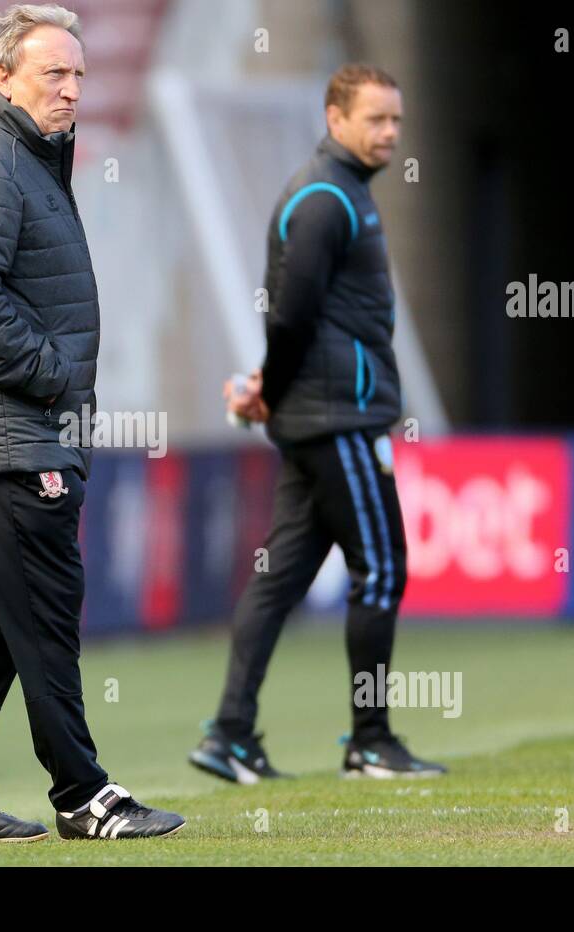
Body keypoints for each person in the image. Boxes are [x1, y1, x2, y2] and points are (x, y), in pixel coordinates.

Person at [0, 3, 185, 841]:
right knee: (47, 614)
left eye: (79, 75)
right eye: (53, 74)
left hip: (23, 427)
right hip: (11, 430)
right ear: (1, 75)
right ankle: (83, 795)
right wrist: (54, 379)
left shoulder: (26, 154)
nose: (73, 91)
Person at [189, 64, 447, 783]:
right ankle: (370, 742)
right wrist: (268, 384)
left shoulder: (345, 191)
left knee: (278, 578)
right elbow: (291, 312)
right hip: (336, 418)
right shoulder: (326, 198)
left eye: (396, 120)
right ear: (335, 120)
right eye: (375, 120)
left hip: (319, 413)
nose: (390, 133)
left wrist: (271, 388)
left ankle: (229, 735)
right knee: (382, 565)